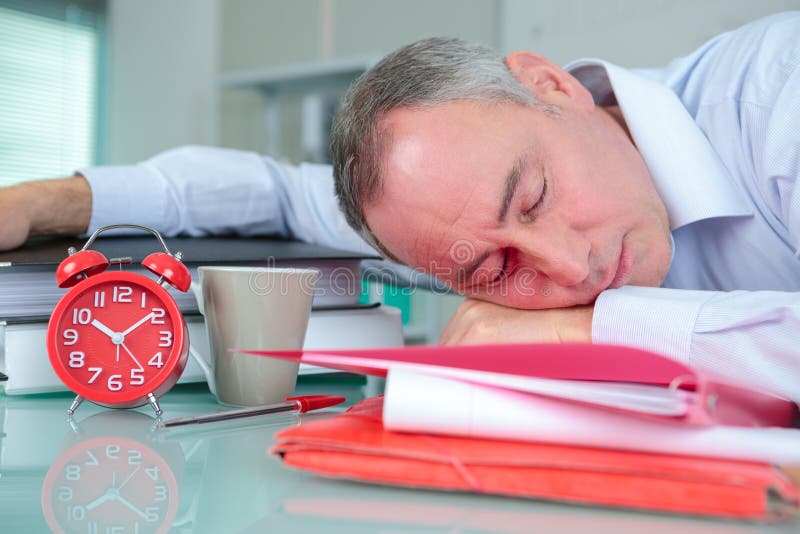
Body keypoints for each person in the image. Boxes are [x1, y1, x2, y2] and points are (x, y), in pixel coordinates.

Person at [1, 13, 799, 400]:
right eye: (493, 269)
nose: (568, 266)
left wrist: (587, 328)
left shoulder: (777, 96)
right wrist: (41, 203)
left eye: (535, 196)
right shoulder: (439, 227)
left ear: (552, 86)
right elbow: (276, 191)